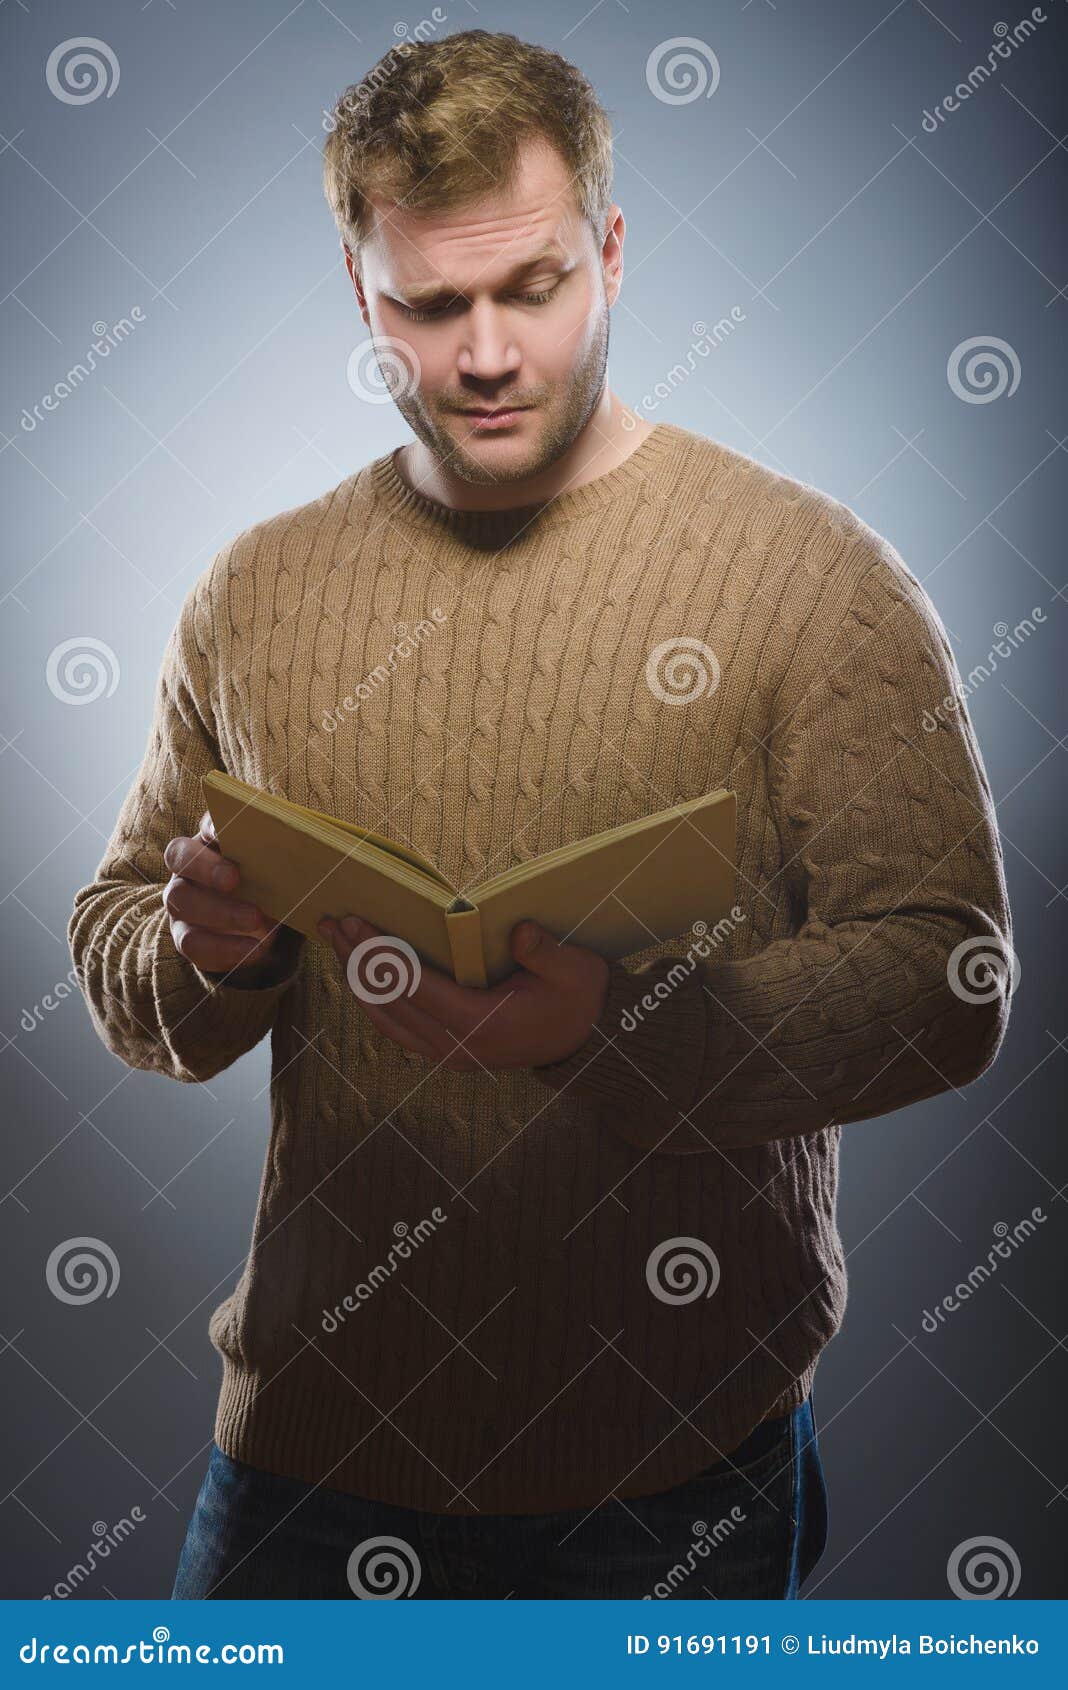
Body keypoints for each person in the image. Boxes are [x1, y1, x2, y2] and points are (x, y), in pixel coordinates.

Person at [69, 29, 1012, 1600]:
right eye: (430, 306)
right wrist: (201, 946)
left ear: (615, 253)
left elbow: (947, 976)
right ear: (358, 294)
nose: (489, 353)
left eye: (536, 287)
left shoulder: (810, 578)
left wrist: (631, 1026)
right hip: (309, 1450)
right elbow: (118, 943)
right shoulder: (255, 590)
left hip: (673, 1475)